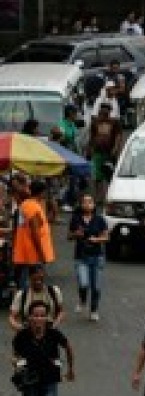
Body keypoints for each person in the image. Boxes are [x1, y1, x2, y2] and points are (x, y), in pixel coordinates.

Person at [12, 300, 75, 396]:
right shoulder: (22, 336)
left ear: (47, 317)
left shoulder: (53, 334)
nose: (39, 319)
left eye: (42, 315)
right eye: (36, 315)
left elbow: (68, 347)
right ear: (29, 318)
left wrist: (71, 369)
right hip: (30, 382)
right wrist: (18, 365)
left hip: (50, 380)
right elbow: (15, 355)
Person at [69, 193, 108, 321]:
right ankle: (82, 300)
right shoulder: (76, 219)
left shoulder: (100, 219)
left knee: (96, 286)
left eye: (90, 202)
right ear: (81, 205)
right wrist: (76, 234)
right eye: (84, 202)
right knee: (83, 283)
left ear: (94, 205)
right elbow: (69, 236)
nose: (87, 204)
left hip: (97, 257)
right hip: (81, 257)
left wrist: (96, 239)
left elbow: (106, 237)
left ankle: (94, 310)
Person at [12, 179, 54, 291]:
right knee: (32, 283)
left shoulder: (29, 205)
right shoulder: (32, 206)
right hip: (33, 253)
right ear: (42, 193)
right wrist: (41, 254)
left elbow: (40, 224)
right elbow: (35, 232)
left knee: (27, 281)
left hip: (29, 252)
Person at [8, 264, 65, 331]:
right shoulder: (21, 295)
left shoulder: (54, 291)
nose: (38, 282)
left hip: (50, 330)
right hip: (28, 331)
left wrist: (55, 325)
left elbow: (61, 311)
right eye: (34, 279)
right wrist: (19, 328)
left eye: (41, 279)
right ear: (29, 278)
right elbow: (12, 317)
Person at [86, 101, 121, 203]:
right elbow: (92, 137)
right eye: (102, 110)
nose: (104, 112)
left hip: (109, 154)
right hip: (97, 153)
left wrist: (115, 149)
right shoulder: (95, 122)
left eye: (106, 110)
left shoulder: (114, 123)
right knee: (98, 176)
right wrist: (89, 149)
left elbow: (118, 137)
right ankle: (98, 197)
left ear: (110, 111)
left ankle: (110, 196)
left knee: (110, 175)